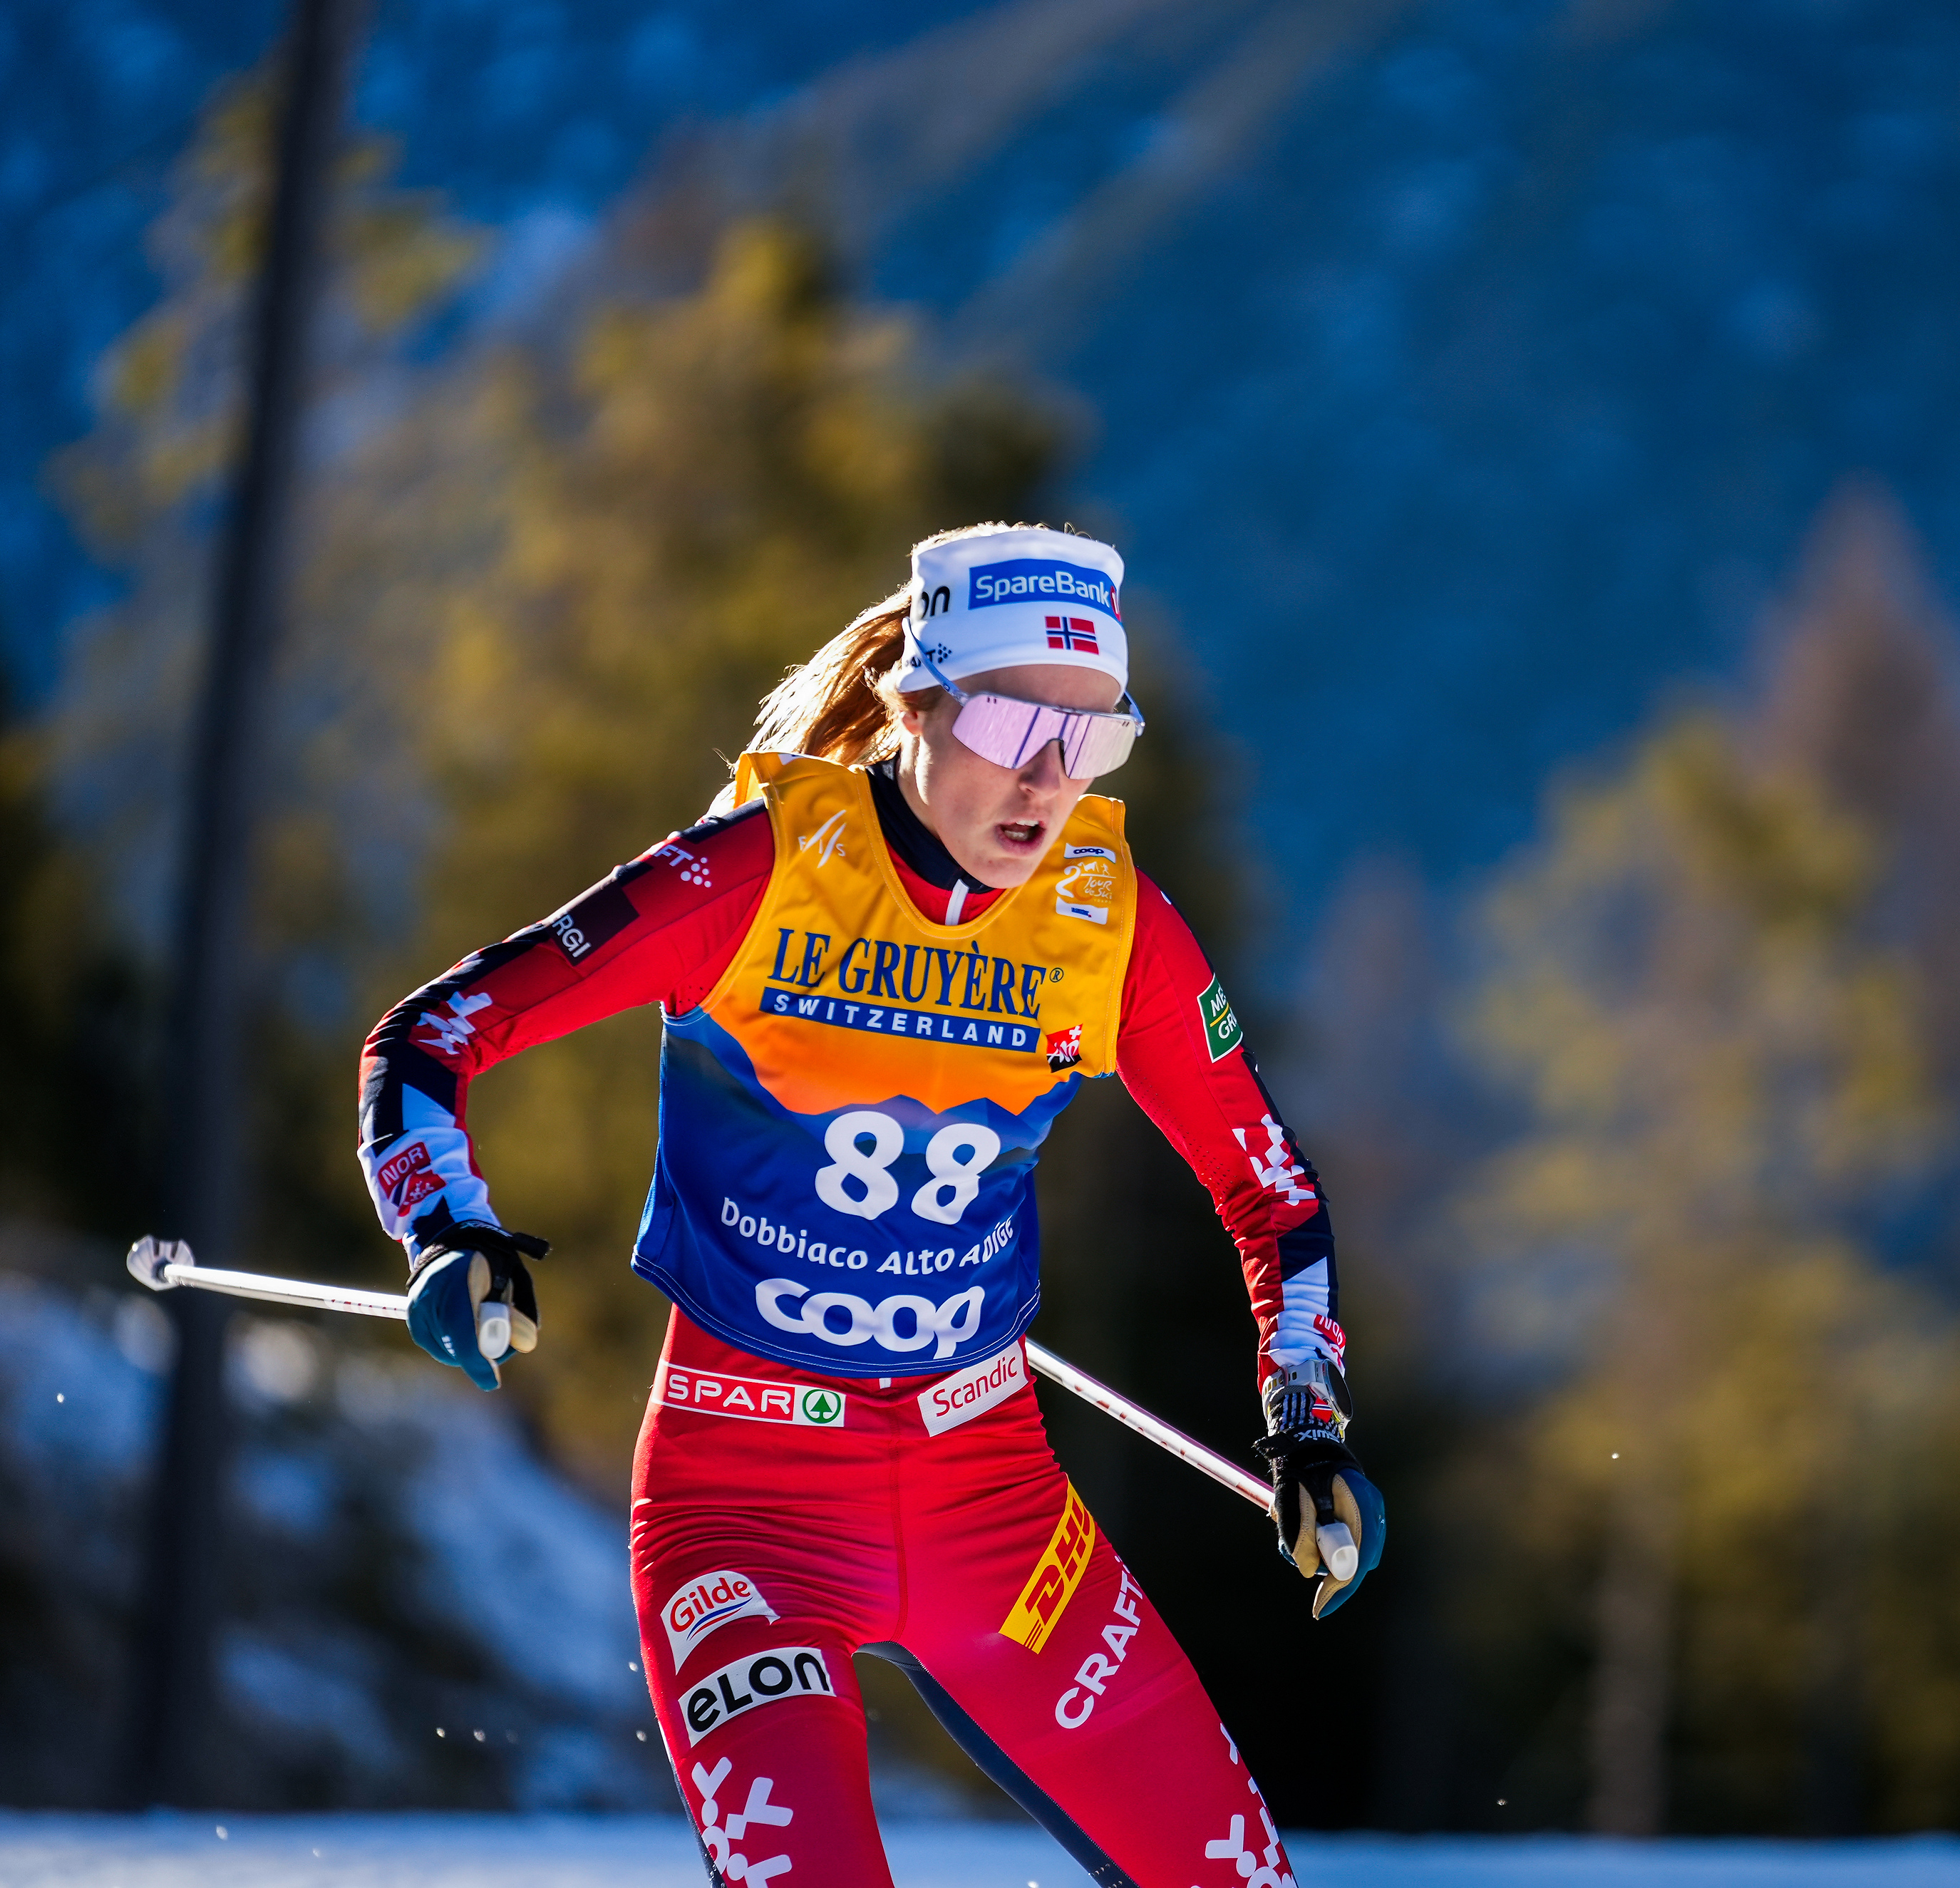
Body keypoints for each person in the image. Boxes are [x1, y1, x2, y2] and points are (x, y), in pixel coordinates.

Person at [357, 524, 1378, 1888]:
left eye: (1092, 738)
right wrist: (446, 1222)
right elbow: (432, 1035)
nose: (1047, 780)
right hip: (745, 1509)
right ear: (915, 702)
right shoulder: (755, 872)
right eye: (1013, 724)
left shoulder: (1110, 921)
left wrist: (1306, 1416)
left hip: (996, 1510)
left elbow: (1270, 1188)